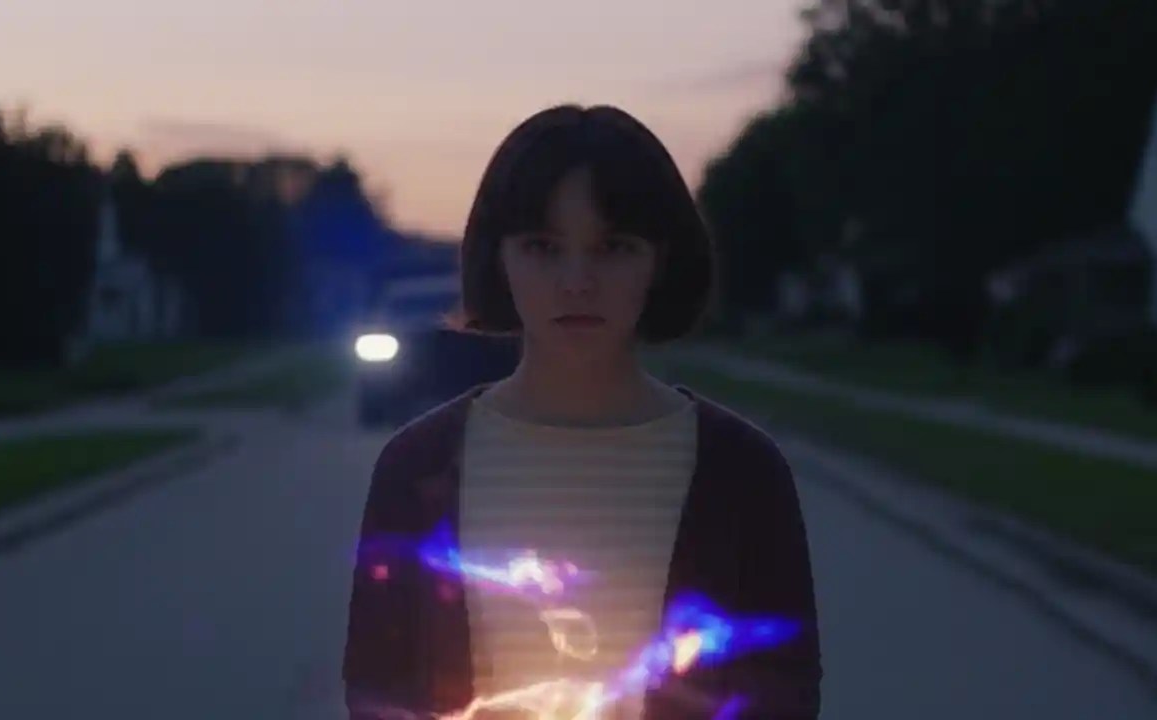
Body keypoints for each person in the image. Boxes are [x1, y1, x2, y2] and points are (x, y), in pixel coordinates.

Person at [343, 104, 822, 719]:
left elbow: (783, 694)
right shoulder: (415, 468)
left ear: (660, 259)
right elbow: (379, 691)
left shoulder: (743, 471)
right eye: (543, 248)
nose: (577, 280)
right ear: (500, 258)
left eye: (612, 247)